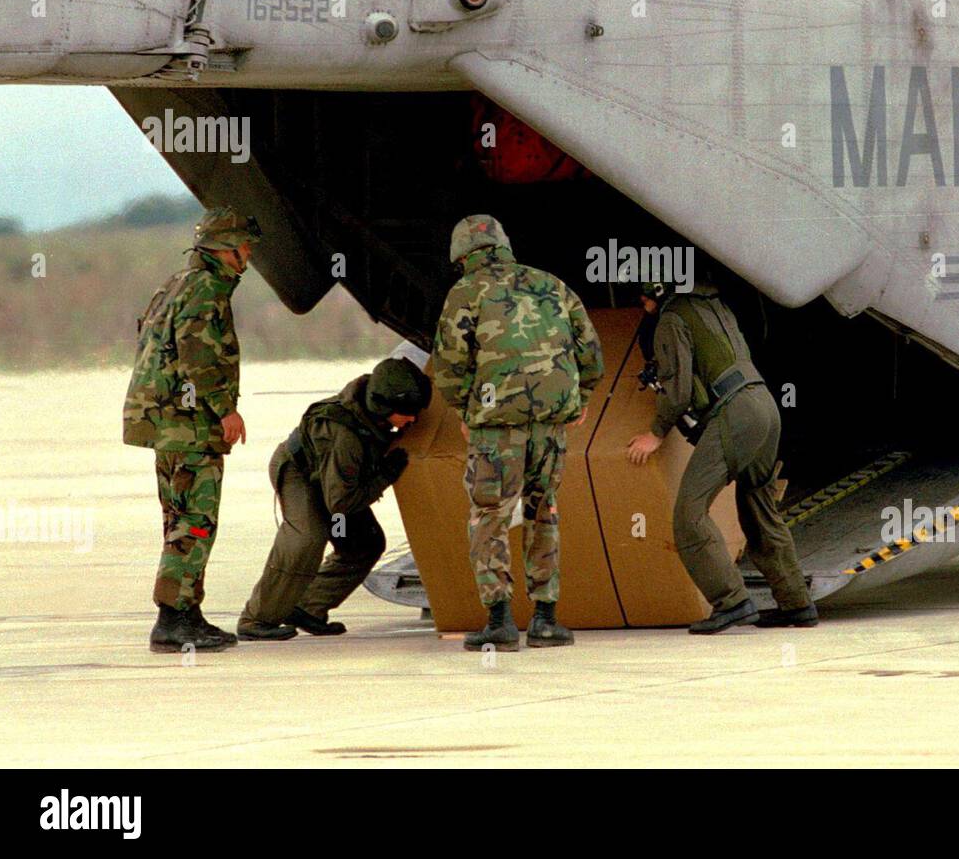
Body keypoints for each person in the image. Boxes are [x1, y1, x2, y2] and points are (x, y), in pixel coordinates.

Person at [433, 215, 604, 651]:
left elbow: (450, 365)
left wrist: (465, 409)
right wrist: (579, 399)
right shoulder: (552, 285)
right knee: (542, 510)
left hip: (496, 430)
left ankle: (500, 622)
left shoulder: (465, 293)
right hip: (550, 425)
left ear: (463, 255)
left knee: (489, 516)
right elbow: (591, 353)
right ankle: (546, 620)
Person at [626, 279, 818, 633]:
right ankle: (796, 604)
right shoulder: (714, 305)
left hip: (736, 415)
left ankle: (731, 602)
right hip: (765, 408)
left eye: (642, 298)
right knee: (760, 512)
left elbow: (678, 387)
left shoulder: (672, 318)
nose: (642, 307)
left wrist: (655, 433)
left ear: (655, 292)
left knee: (688, 514)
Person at [123, 206, 261, 653]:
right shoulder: (206, 289)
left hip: (165, 426)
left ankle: (185, 612)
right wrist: (225, 410)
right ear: (225, 249)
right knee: (195, 522)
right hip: (189, 429)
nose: (249, 253)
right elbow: (196, 356)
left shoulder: (176, 284)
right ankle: (174, 619)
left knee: (178, 519)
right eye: (244, 245)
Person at [236, 358, 431, 641]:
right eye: (406, 413)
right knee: (307, 537)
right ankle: (256, 619)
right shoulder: (344, 436)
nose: (412, 420)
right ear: (383, 407)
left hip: (334, 480)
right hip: (300, 474)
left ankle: (308, 608)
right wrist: (385, 476)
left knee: (365, 543)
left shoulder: (373, 411)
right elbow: (340, 505)